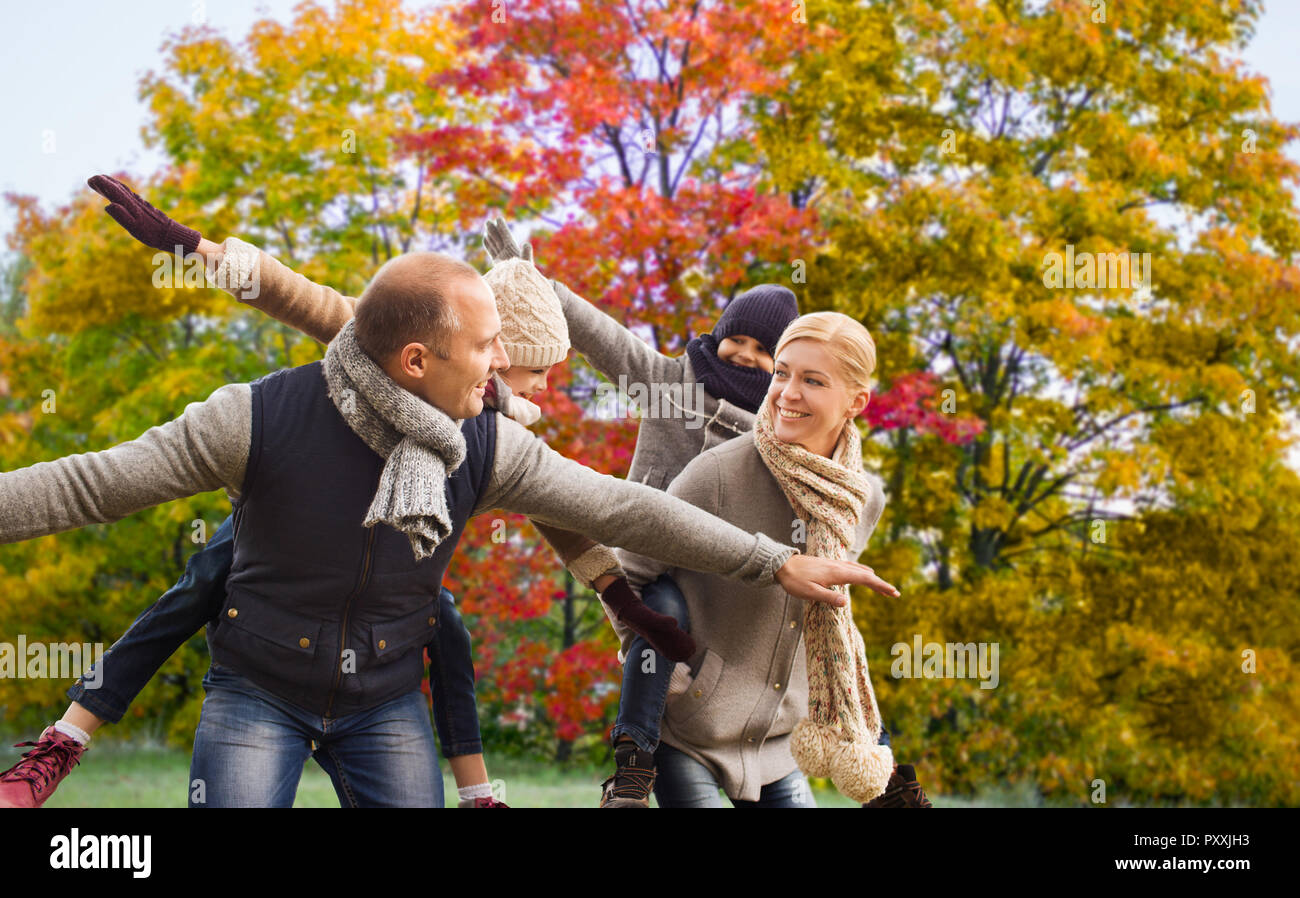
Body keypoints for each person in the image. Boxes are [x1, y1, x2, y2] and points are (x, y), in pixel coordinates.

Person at [0, 192, 896, 808]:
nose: (504, 367)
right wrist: (200, 252)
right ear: (420, 362)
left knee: (448, 627)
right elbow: (91, 482)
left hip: (383, 690)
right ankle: (71, 731)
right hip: (262, 675)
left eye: (513, 349)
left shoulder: (489, 436)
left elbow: (619, 512)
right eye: (489, 347)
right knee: (211, 568)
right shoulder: (263, 414)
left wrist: (769, 563)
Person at [479, 218, 928, 807]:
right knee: (661, 609)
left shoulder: (795, 452)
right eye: (733, 340)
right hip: (652, 564)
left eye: (764, 352)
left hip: (737, 586)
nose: (743, 355)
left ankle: (881, 772)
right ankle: (633, 759)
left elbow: (817, 601)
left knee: (832, 625)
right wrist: (538, 287)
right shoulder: (672, 386)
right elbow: (603, 338)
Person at [615, 311, 926, 807]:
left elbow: (823, 617)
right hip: (691, 733)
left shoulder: (861, 498)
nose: (787, 392)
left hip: (777, 744)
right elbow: (628, 570)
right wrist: (661, 663)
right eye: (781, 373)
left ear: (856, 402)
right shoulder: (716, 473)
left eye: (813, 380)